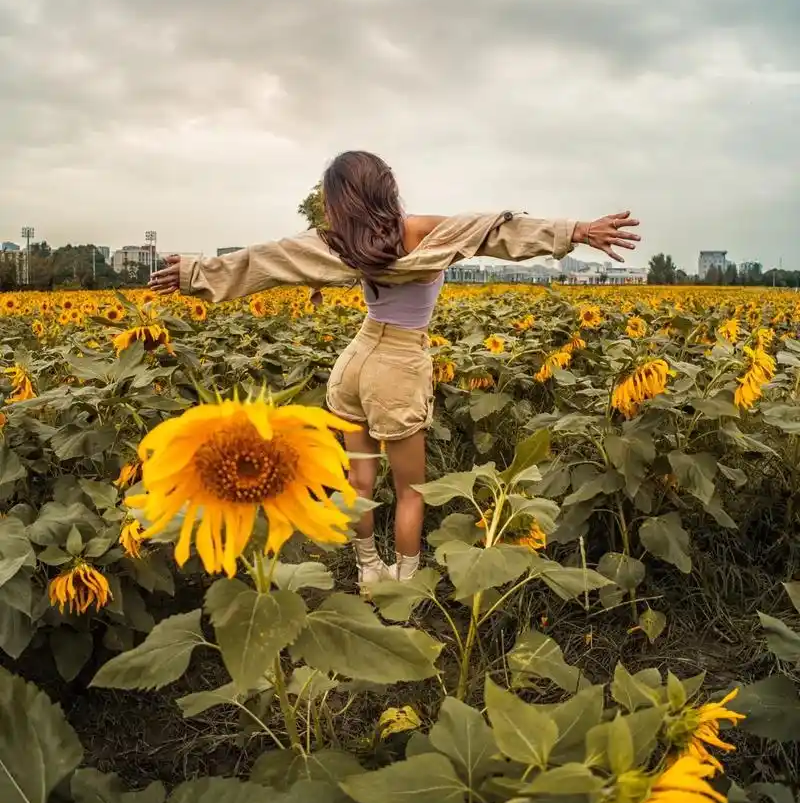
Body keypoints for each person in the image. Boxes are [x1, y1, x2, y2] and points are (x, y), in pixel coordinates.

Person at [149, 150, 640, 591]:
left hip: (355, 363)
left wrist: (195, 272)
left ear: (340, 201)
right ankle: (406, 584)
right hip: (398, 367)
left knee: (360, 484)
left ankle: (368, 570)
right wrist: (575, 230)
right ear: (387, 186)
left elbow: (267, 259)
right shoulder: (424, 230)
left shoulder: (340, 244)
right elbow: (496, 232)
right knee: (411, 490)